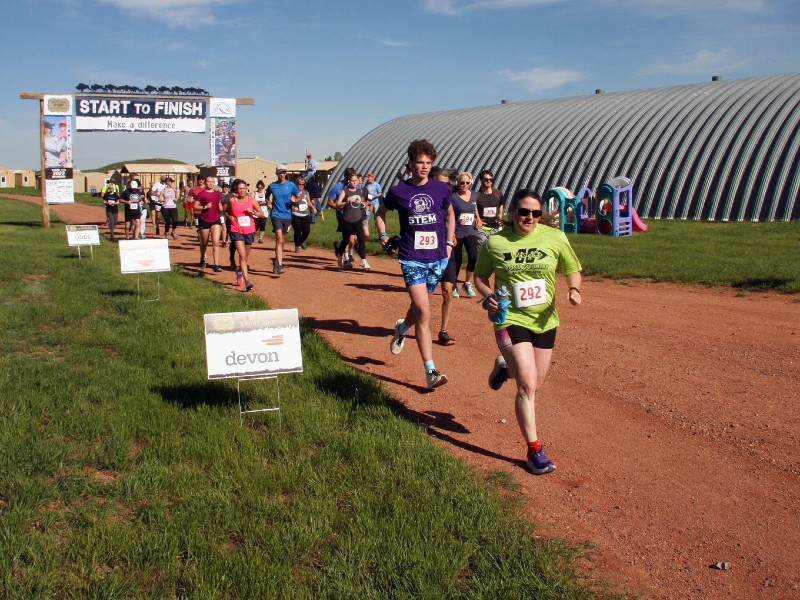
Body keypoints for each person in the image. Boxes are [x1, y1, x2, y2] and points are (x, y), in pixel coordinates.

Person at [473, 189, 583, 475]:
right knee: (527, 385)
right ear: (513, 213)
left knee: (535, 381)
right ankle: (535, 450)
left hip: (545, 321)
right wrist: (487, 295)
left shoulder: (554, 237)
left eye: (535, 213)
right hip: (510, 318)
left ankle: (504, 368)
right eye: (524, 212)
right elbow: (479, 276)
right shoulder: (495, 242)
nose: (530, 218)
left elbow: (572, 267)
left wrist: (574, 288)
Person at [376, 139, 455, 390]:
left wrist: (451, 242)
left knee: (418, 308)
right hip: (411, 257)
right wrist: (383, 235)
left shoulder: (441, 189)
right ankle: (431, 371)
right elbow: (380, 213)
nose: (424, 167)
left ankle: (402, 327)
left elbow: (450, 213)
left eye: (428, 163)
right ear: (410, 164)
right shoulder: (398, 191)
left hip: (438, 257)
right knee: (424, 310)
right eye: (420, 162)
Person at [431, 166, 458, 346]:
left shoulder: (450, 200)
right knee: (424, 294)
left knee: (447, 291)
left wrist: (452, 236)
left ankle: (443, 331)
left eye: (447, 184)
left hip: (446, 250)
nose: (445, 187)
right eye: (441, 184)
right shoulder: (425, 201)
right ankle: (408, 324)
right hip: (427, 252)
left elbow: (452, 220)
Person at [226, 178, 264, 291]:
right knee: (242, 255)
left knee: (245, 257)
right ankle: (248, 281)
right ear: (236, 190)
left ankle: (239, 271)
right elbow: (226, 211)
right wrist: (230, 217)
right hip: (236, 229)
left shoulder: (251, 200)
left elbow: (261, 214)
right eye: (239, 189)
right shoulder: (232, 201)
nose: (242, 191)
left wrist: (253, 212)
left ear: (246, 189)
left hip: (249, 230)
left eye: (243, 188)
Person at [266, 165, 300, 275]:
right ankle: (280, 265)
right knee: (279, 239)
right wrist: (269, 203)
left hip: (288, 216)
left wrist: (295, 200)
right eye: (280, 172)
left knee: (283, 241)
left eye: (284, 172)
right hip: (276, 214)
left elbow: (299, 196)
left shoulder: (291, 185)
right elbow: (267, 196)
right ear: (277, 174)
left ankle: (277, 260)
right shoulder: (272, 186)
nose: (282, 175)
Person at [451, 171, 480, 298]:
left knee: (474, 257)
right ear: (458, 183)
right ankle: (454, 284)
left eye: (467, 183)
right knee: (457, 260)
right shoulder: (453, 197)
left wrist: (478, 219)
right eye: (462, 182)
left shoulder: (474, 195)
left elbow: (474, 208)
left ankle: (467, 283)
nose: (464, 185)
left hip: (471, 230)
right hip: (458, 232)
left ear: (471, 183)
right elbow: (448, 213)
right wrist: (457, 221)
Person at [335, 172, 370, 269]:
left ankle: (363, 260)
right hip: (347, 219)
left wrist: (364, 204)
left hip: (358, 219)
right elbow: (337, 204)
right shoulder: (345, 192)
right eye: (353, 181)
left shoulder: (360, 191)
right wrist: (346, 202)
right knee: (346, 240)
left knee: (361, 239)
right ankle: (339, 254)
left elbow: (365, 201)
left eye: (356, 181)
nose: (355, 183)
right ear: (349, 181)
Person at [194, 175, 224, 272]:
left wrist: (221, 207)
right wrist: (205, 207)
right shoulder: (201, 194)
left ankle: (216, 264)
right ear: (205, 183)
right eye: (208, 181)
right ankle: (202, 258)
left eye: (212, 181)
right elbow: (195, 206)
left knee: (215, 242)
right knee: (204, 243)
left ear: (214, 183)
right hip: (204, 219)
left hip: (216, 219)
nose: (210, 183)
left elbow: (219, 204)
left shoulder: (217, 193)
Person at [475, 169, 505, 247]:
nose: (489, 181)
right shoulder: (476, 195)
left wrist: (500, 216)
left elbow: (501, 205)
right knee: (482, 249)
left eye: (491, 180)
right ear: (481, 180)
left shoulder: (498, 194)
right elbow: (474, 209)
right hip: (482, 229)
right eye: (486, 179)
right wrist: (478, 219)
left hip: (495, 227)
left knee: (494, 249)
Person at [291, 176, 316, 252]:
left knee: (306, 231)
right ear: (296, 184)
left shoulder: (306, 192)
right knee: (298, 230)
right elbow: (291, 202)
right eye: (299, 184)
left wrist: (313, 208)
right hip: (296, 214)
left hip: (305, 214)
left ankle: (300, 242)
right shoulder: (293, 192)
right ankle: (297, 246)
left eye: (303, 184)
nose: (301, 186)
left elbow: (308, 202)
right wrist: (293, 207)